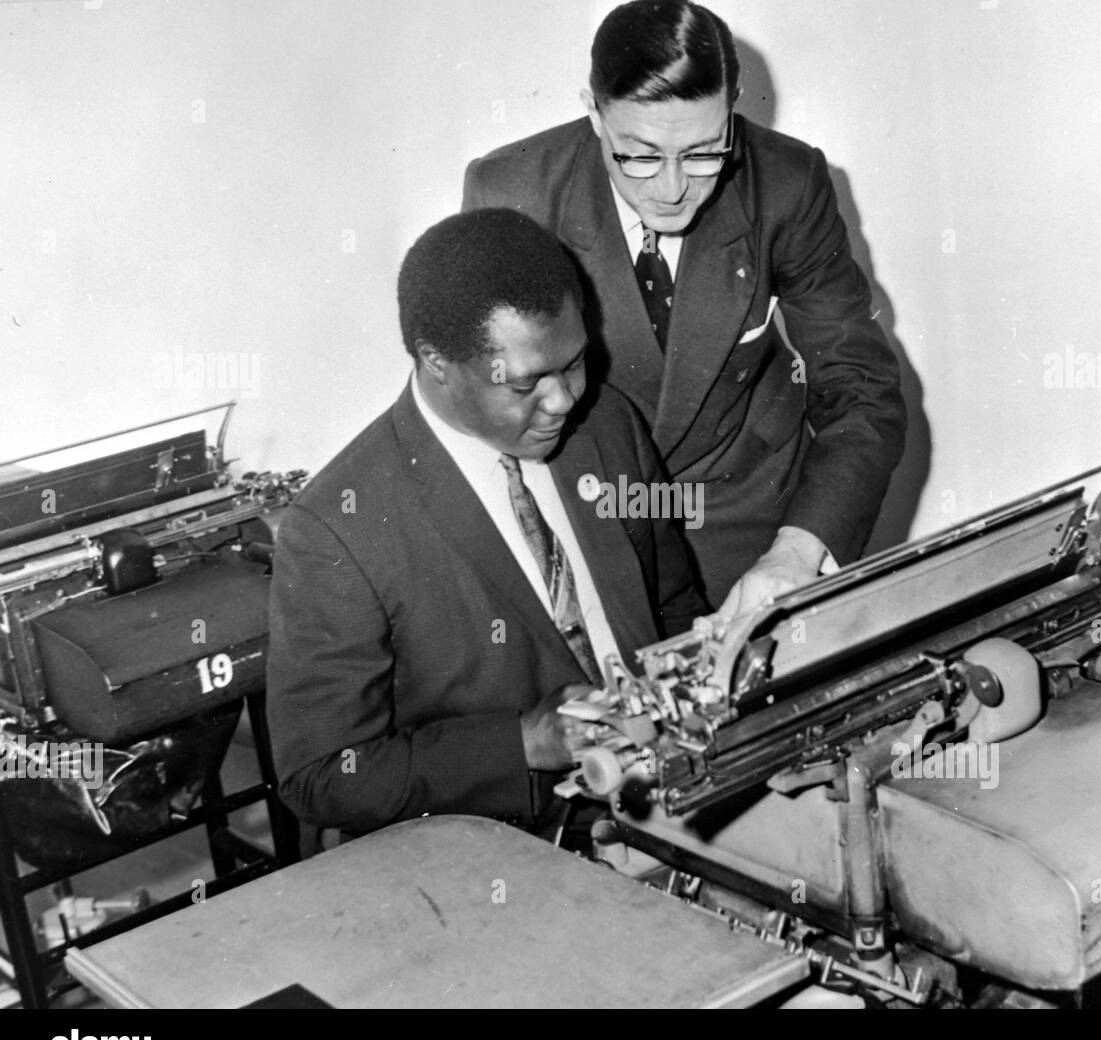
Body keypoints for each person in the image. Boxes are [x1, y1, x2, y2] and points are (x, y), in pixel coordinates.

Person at [268, 208, 707, 838]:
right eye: (528, 383)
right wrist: (522, 743)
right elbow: (319, 775)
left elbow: (673, 603)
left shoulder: (609, 427)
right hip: (506, 851)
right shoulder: (339, 530)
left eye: (575, 363)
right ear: (437, 360)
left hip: (674, 796)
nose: (565, 400)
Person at [463, 0, 906, 622]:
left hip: (751, 521)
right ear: (593, 111)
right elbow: (487, 410)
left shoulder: (787, 182)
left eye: (703, 152)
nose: (671, 189)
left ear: (734, 105)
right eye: (640, 155)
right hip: (593, 527)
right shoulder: (511, 195)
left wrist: (798, 552)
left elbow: (860, 388)